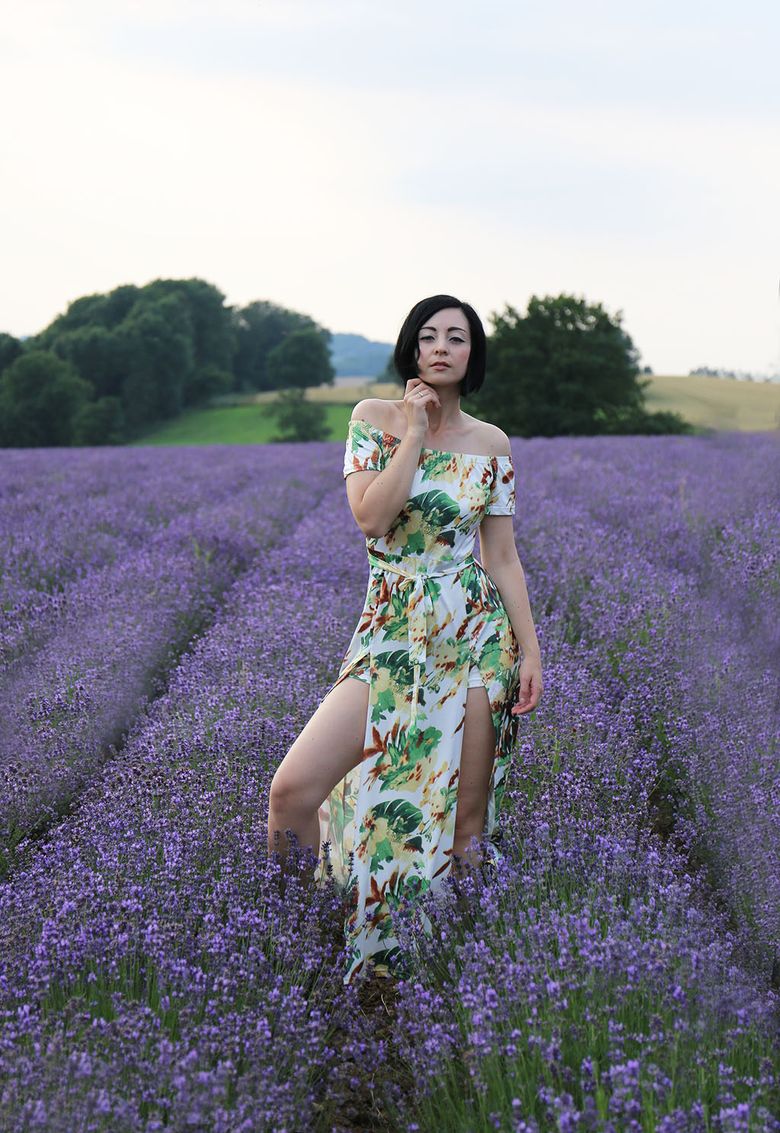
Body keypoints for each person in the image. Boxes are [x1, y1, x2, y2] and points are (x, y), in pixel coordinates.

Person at [267, 294, 543, 985]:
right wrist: (415, 432)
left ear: (473, 354)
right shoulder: (374, 420)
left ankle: (461, 975)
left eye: (457, 337)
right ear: (412, 349)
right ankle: (294, 934)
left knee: (467, 826)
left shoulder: (492, 445)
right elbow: (372, 518)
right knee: (292, 791)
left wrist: (531, 650)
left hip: (474, 638)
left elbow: (502, 556)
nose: (442, 347)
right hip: (390, 633)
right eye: (429, 336)